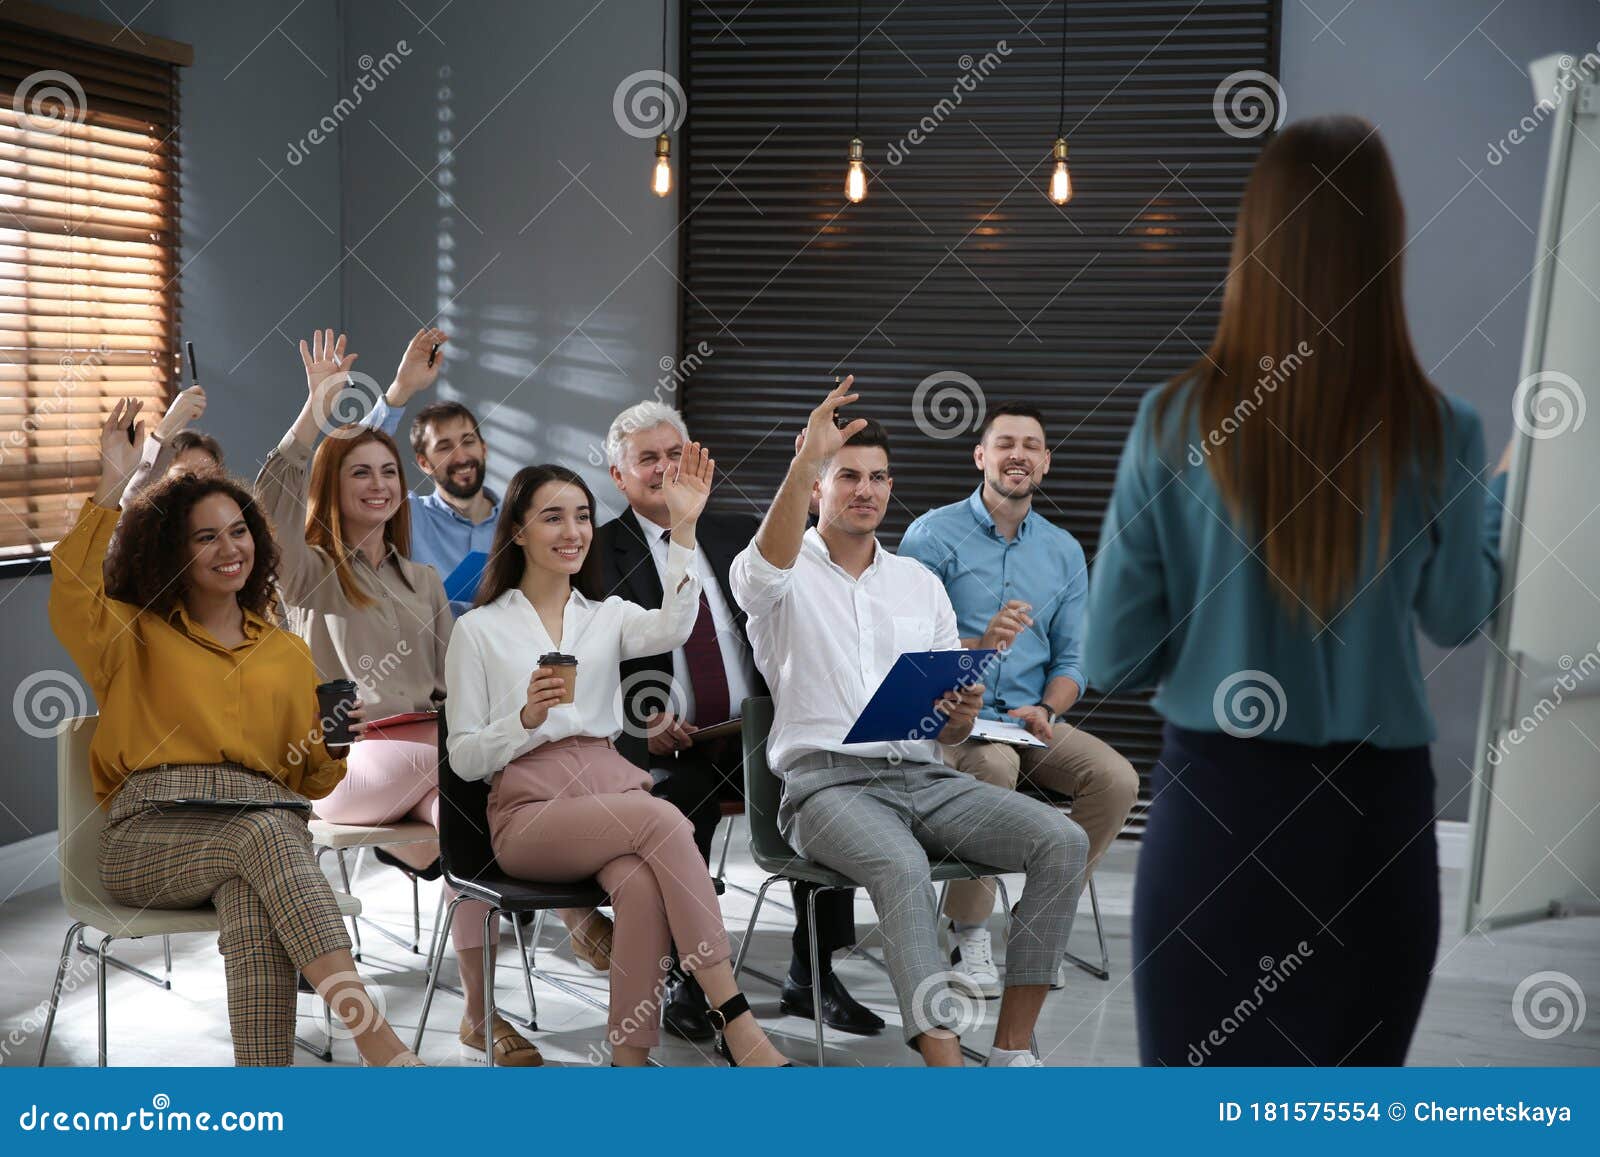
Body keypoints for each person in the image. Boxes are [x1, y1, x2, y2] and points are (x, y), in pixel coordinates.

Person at [1082, 116, 1511, 1067]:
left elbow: (1112, 652)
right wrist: (1496, 504)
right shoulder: (1444, 430)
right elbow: (1454, 612)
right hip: (1378, 825)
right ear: (1384, 246)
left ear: (1255, 242)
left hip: (1216, 816)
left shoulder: (1175, 419)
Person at [729, 380, 1089, 1067]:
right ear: (816, 488)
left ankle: (1015, 1051)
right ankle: (945, 1064)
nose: (864, 490)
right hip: (825, 786)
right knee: (903, 865)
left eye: (877, 477)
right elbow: (763, 568)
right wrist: (806, 457)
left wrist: (958, 712)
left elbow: (950, 732)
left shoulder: (918, 583)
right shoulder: (776, 573)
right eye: (846, 477)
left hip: (924, 774)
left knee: (1062, 840)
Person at [50, 398, 420, 1066]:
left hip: (256, 837)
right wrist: (113, 482)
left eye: (240, 531)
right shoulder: (132, 632)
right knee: (265, 836)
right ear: (171, 548)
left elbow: (302, 778)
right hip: (144, 841)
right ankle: (379, 1040)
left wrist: (333, 744)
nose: (231, 548)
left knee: (253, 893)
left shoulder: (282, 652)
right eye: (206, 536)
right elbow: (74, 588)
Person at [444, 449, 791, 1066]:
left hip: (609, 787)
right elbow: (467, 759)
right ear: (519, 531)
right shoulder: (479, 629)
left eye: (582, 516)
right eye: (553, 518)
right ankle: (734, 1017)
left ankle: (629, 1061)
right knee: (664, 819)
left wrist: (682, 531)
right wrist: (522, 719)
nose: (574, 532)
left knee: (639, 886)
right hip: (530, 811)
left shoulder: (607, 616)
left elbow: (675, 625)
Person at [255, 329, 540, 1066]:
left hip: (424, 764)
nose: (378, 485)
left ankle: (479, 1014)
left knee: (468, 823)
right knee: (460, 766)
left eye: (387, 473)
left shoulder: (420, 583)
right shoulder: (310, 574)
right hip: (341, 770)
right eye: (361, 475)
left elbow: (458, 690)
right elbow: (271, 503)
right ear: (334, 488)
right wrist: (315, 413)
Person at [595, 401, 878, 1042]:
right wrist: (641, 716)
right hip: (664, 746)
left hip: (754, 731)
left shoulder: (732, 534)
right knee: (674, 811)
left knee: (827, 792)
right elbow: (592, 649)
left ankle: (813, 974)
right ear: (618, 476)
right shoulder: (600, 550)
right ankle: (686, 978)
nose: (666, 469)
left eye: (676, 454)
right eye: (649, 459)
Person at [363, 332, 613, 972]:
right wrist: (396, 397)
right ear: (421, 463)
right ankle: (574, 916)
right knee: (487, 781)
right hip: (428, 697)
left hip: (512, 690)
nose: (461, 453)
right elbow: (350, 465)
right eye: (443, 446)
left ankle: (549, 886)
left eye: (469, 439)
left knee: (566, 743)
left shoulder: (524, 522)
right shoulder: (406, 520)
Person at [900, 402, 1138, 996]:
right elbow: (903, 639)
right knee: (992, 766)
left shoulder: (1061, 551)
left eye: (1031, 445)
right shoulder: (931, 534)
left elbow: (1073, 660)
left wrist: (1050, 709)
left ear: (1046, 462)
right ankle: (970, 933)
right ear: (980, 456)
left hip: (1026, 720)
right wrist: (980, 644)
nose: (1018, 455)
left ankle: (1037, 922)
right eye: (1005, 443)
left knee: (1116, 779)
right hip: (948, 718)